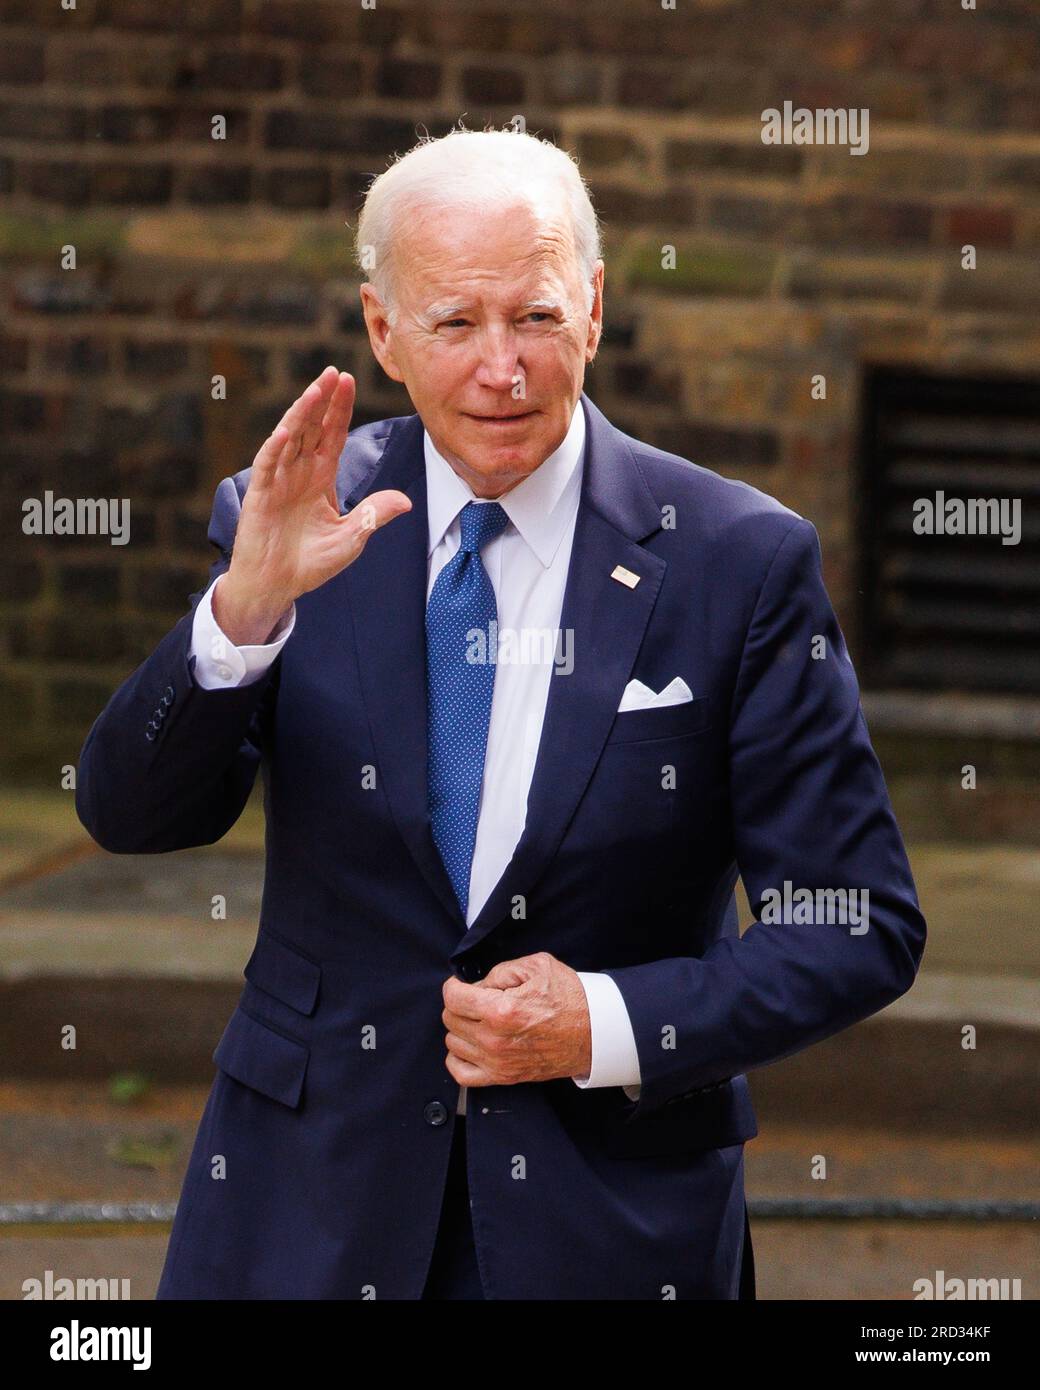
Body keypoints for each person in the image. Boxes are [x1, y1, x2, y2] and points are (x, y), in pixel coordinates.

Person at [75, 129, 926, 1300]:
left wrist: (603, 1020)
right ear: (382, 332)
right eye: (454, 324)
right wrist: (244, 608)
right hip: (304, 1216)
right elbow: (131, 813)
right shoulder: (295, 518)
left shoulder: (738, 562)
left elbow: (857, 921)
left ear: (590, 305)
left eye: (532, 317)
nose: (501, 369)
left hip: (606, 1230)